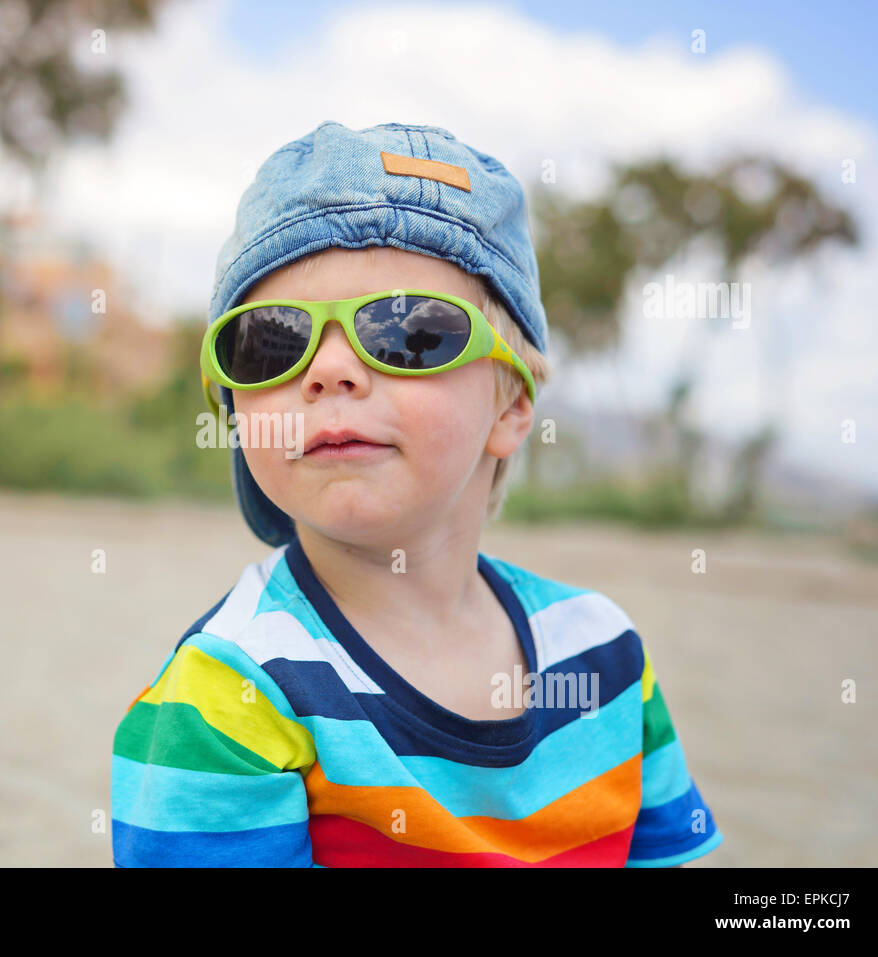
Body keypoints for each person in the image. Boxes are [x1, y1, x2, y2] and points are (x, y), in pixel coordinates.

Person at [110, 120, 723, 867]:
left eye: (406, 332)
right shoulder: (224, 702)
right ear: (233, 408)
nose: (329, 371)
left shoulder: (604, 657)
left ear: (510, 408)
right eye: (271, 341)